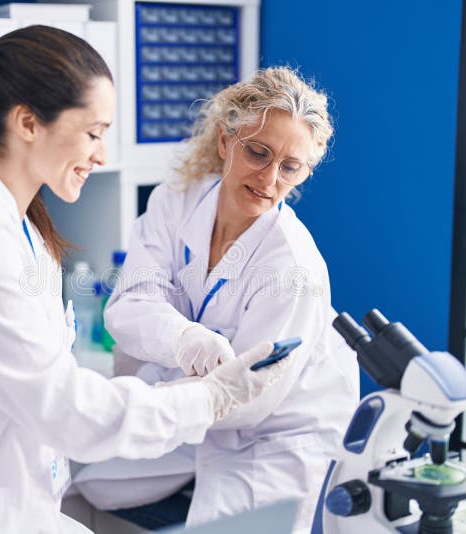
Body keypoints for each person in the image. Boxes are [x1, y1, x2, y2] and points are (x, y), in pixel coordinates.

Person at [0, 26, 290, 534]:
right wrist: (209, 397)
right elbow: (67, 410)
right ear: (27, 122)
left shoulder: (20, 232)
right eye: (93, 132)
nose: (102, 155)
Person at [84, 67, 359, 531]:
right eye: (258, 152)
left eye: (290, 167)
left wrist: (158, 400)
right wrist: (185, 339)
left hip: (275, 436)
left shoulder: (292, 265)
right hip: (194, 406)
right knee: (92, 480)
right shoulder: (176, 202)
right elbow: (130, 305)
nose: (270, 178)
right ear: (225, 141)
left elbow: (252, 401)